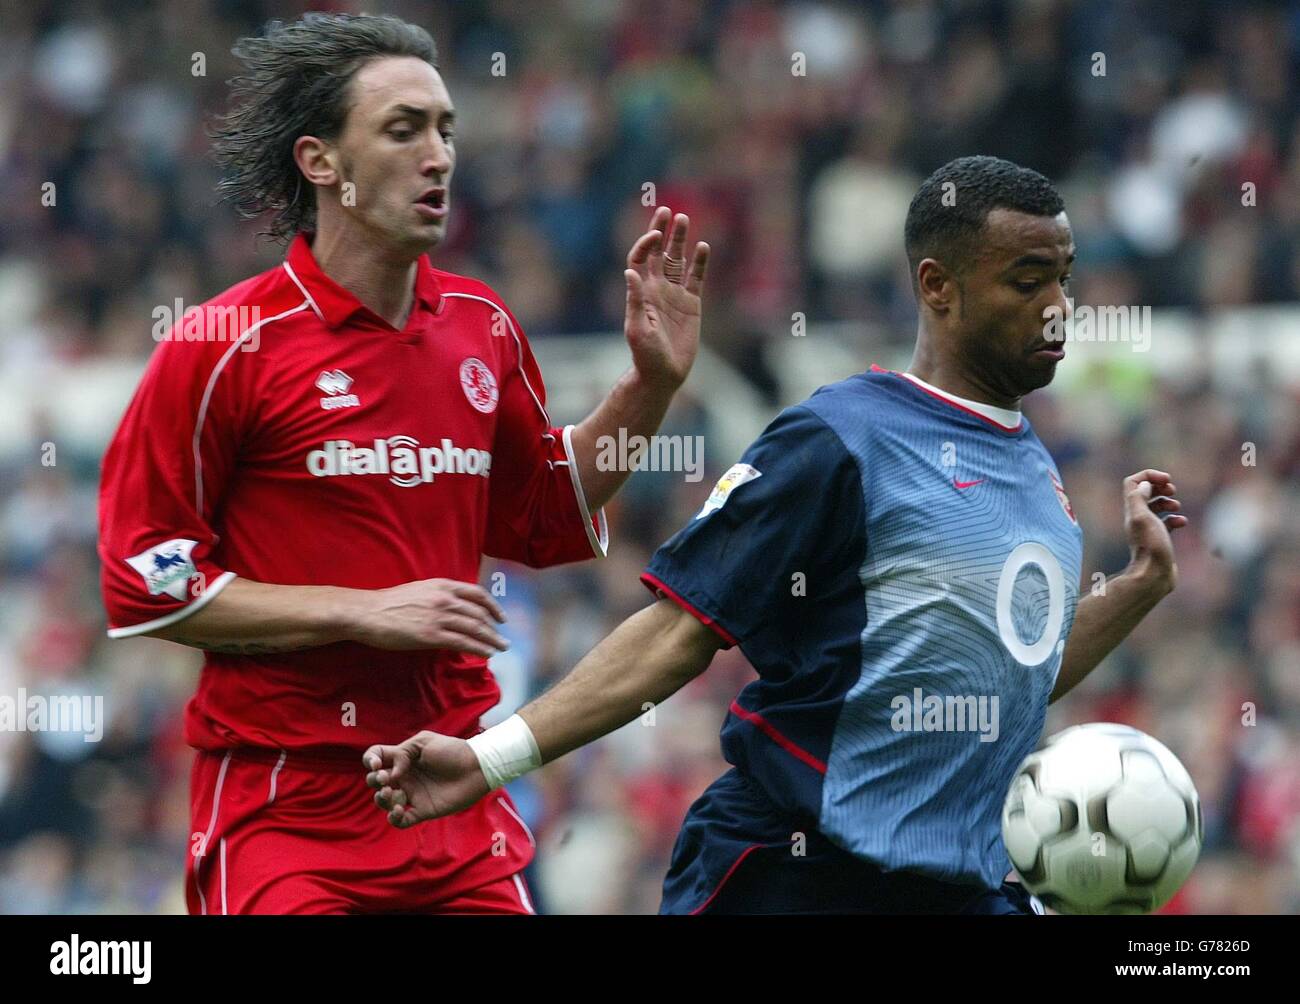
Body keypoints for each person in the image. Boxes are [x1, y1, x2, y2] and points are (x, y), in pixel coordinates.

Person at [364, 155, 1187, 915]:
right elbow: (677, 633)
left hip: (957, 888)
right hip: (796, 877)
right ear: (938, 285)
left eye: (1065, 280)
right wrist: (489, 759)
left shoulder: (1040, 473)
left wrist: (1137, 588)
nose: (1057, 308)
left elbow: (1014, 675)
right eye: (1027, 280)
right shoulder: (841, 438)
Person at [97, 13, 709, 915]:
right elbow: (143, 580)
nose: (439, 155)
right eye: (404, 129)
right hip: (286, 810)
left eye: (446, 129)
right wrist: (361, 610)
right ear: (321, 163)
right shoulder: (224, 343)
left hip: (452, 790)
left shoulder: (481, 324)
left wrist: (649, 389)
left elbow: (541, 514)